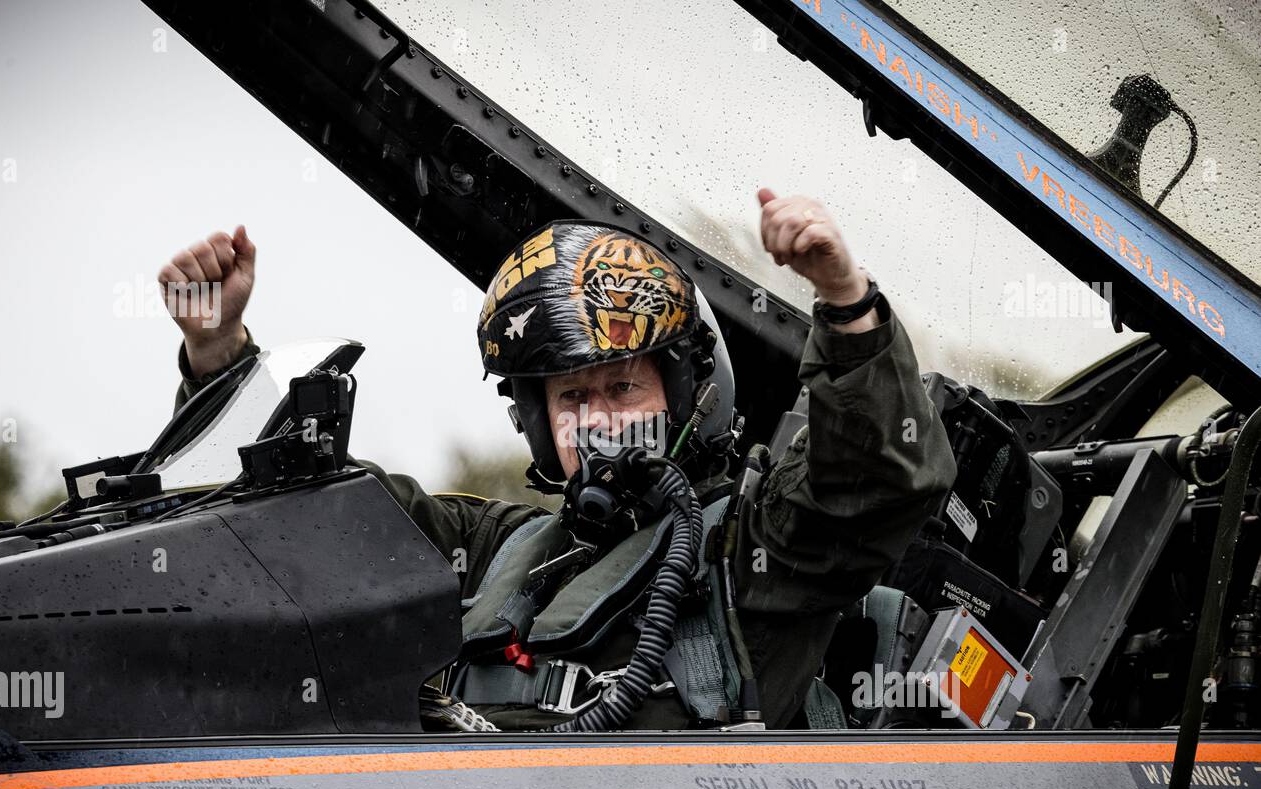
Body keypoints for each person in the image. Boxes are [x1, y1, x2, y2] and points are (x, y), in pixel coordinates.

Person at [161, 190, 957, 731]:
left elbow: (876, 479)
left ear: (686, 395)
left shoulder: (756, 549)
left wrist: (844, 296)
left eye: (621, 387)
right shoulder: (496, 551)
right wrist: (219, 352)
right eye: (571, 401)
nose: (599, 421)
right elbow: (307, 515)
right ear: (538, 425)